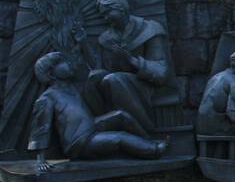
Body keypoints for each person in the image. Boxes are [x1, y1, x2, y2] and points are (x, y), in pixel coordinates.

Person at [29, 52, 167, 172]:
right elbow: (41, 128)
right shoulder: (48, 97)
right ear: (50, 74)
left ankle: (146, 141)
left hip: (92, 127)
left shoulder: (72, 88)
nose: (68, 64)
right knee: (119, 138)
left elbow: (91, 68)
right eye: (61, 63)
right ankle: (154, 150)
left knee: (121, 116)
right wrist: (41, 160)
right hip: (79, 143)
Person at [90, 0, 174, 134]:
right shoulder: (106, 38)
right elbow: (103, 70)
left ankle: (145, 130)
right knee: (94, 78)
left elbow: (161, 73)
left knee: (113, 80)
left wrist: (130, 59)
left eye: (108, 13)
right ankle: (94, 129)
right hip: (117, 83)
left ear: (122, 8)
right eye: (103, 15)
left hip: (146, 84)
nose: (106, 18)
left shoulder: (149, 29)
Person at [196, 50, 235, 147]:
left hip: (202, 122)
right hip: (213, 125)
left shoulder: (217, 76)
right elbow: (234, 115)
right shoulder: (234, 83)